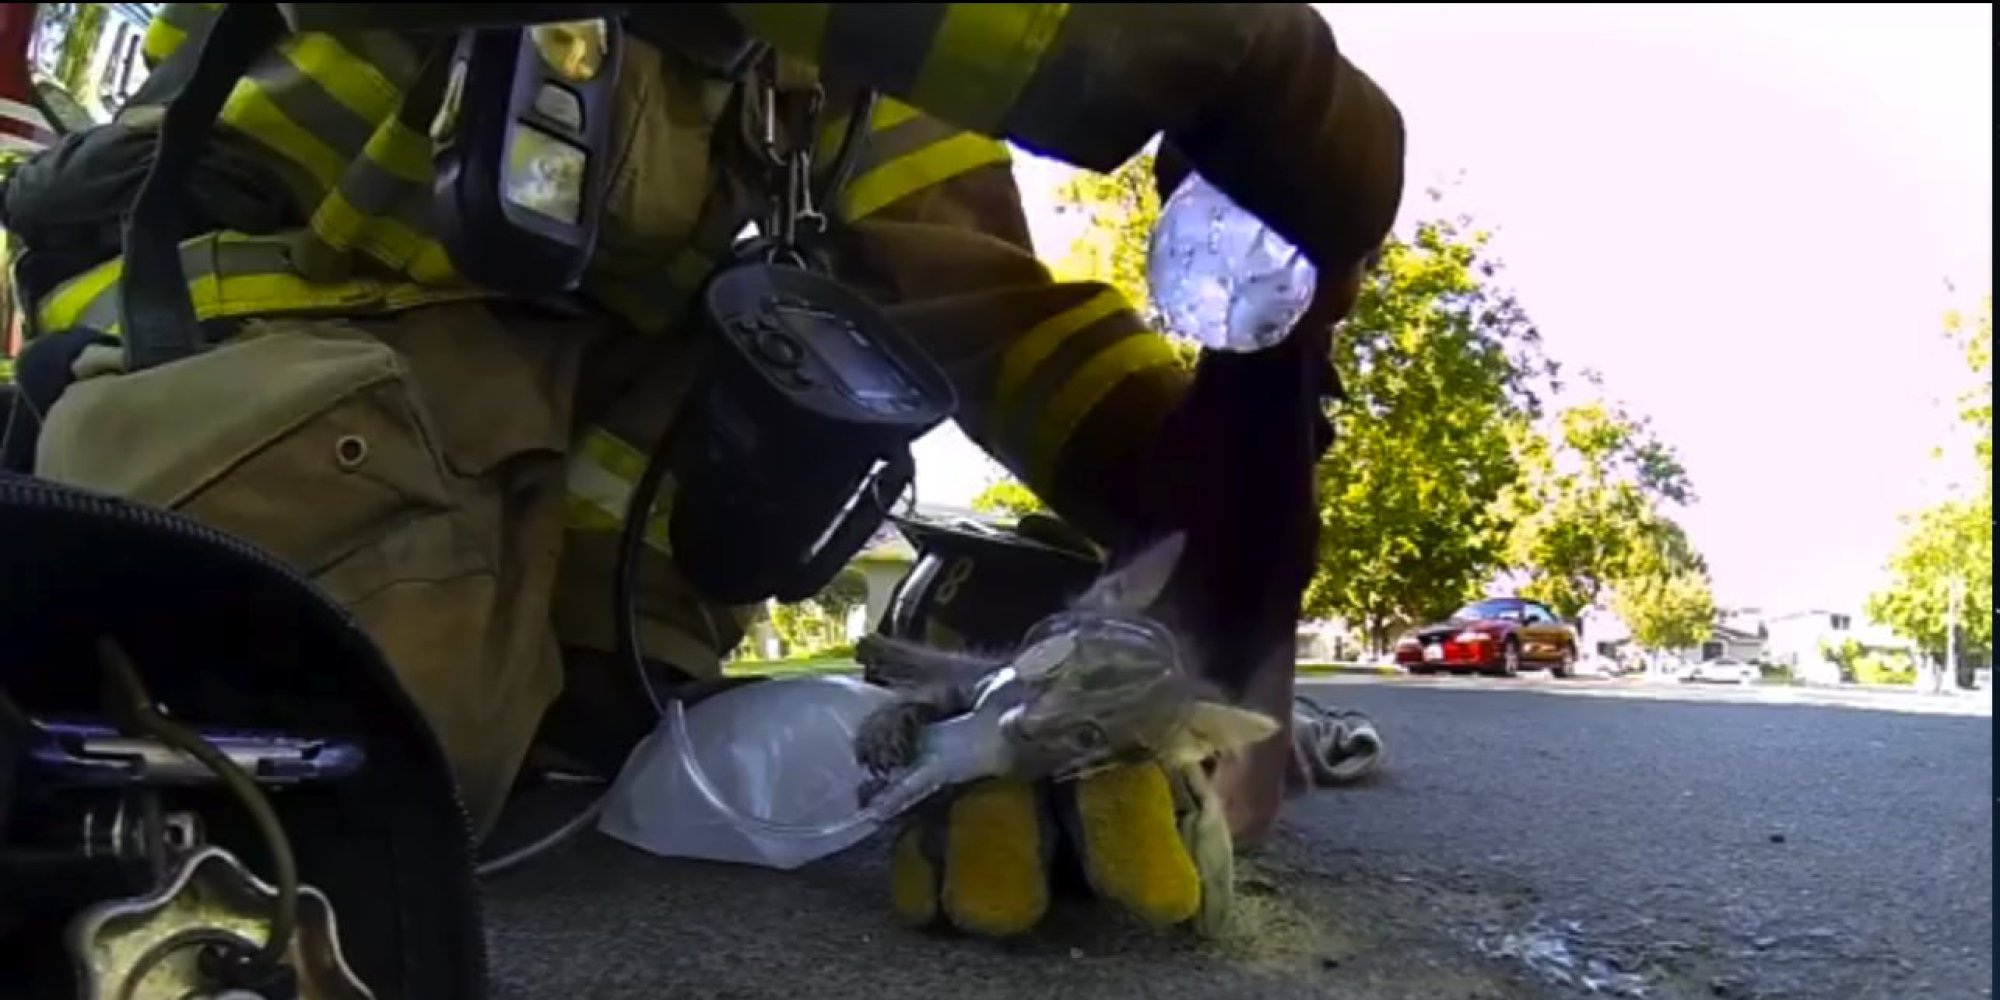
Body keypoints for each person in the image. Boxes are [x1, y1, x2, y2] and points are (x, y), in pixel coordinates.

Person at [4, 3, 1404, 939]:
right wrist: (1237, 62)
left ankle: (575, 688)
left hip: (529, 535)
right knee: (317, 769)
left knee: (565, 761)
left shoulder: (831, 69)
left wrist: (1218, 517)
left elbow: (987, 306)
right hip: (269, 378)